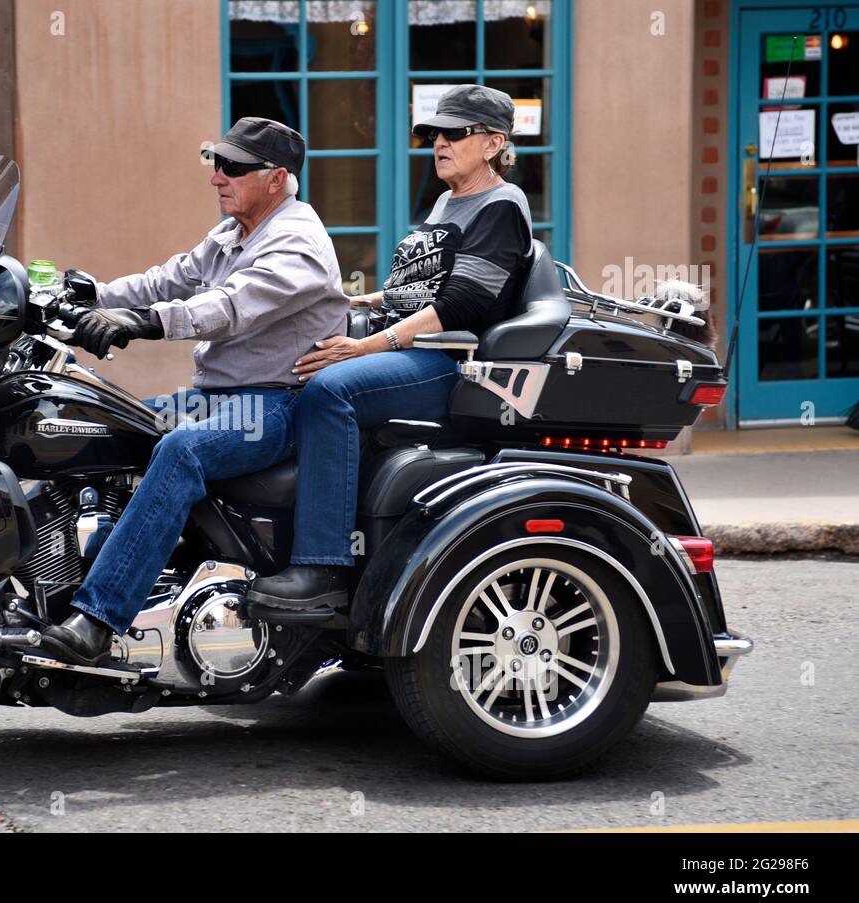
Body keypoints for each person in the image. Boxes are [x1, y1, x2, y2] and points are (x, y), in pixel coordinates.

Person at [40, 117, 349, 665]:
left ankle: (98, 618)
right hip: (215, 397)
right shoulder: (234, 232)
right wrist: (91, 296)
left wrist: (140, 324)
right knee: (90, 420)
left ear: (277, 179)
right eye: (215, 163)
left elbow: (227, 308)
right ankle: (61, 579)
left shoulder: (298, 243)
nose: (217, 177)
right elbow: (170, 279)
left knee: (181, 452)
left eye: (232, 167)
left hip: (274, 403)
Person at [248, 85, 535, 610]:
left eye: (455, 133)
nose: (439, 142)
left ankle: (320, 567)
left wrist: (365, 348)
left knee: (331, 390)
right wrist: (354, 301)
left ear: (494, 144)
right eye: (434, 133)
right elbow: (418, 287)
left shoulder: (501, 205)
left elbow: (463, 303)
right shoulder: (451, 199)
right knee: (295, 364)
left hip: (448, 361)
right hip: (411, 347)